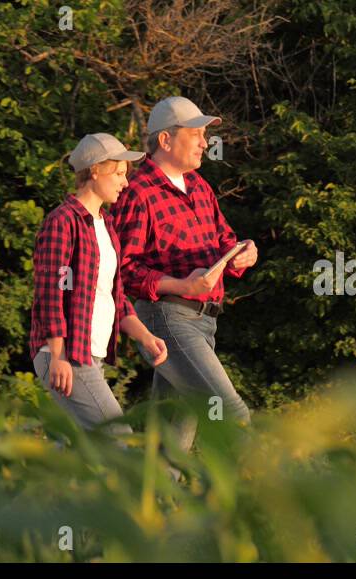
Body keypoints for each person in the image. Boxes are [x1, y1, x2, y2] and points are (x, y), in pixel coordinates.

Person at [112, 96, 257, 456]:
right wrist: (182, 285)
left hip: (205, 320)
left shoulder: (200, 187)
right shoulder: (137, 192)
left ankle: (152, 505)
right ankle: (261, 498)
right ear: (166, 140)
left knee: (172, 437)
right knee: (232, 412)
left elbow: (224, 241)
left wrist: (242, 254)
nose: (205, 143)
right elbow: (123, 269)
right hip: (167, 318)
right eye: (196, 134)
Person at [29, 133, 168, 439]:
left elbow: (115, 298)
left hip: (89, 354)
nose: (125, 182)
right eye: (118, 173)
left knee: (78, 457)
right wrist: (58, 355)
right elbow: (51, 292)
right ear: (94, 170)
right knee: (118, 439)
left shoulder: (105, 227)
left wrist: (145, 337)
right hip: (68, 354)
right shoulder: (63, 221)